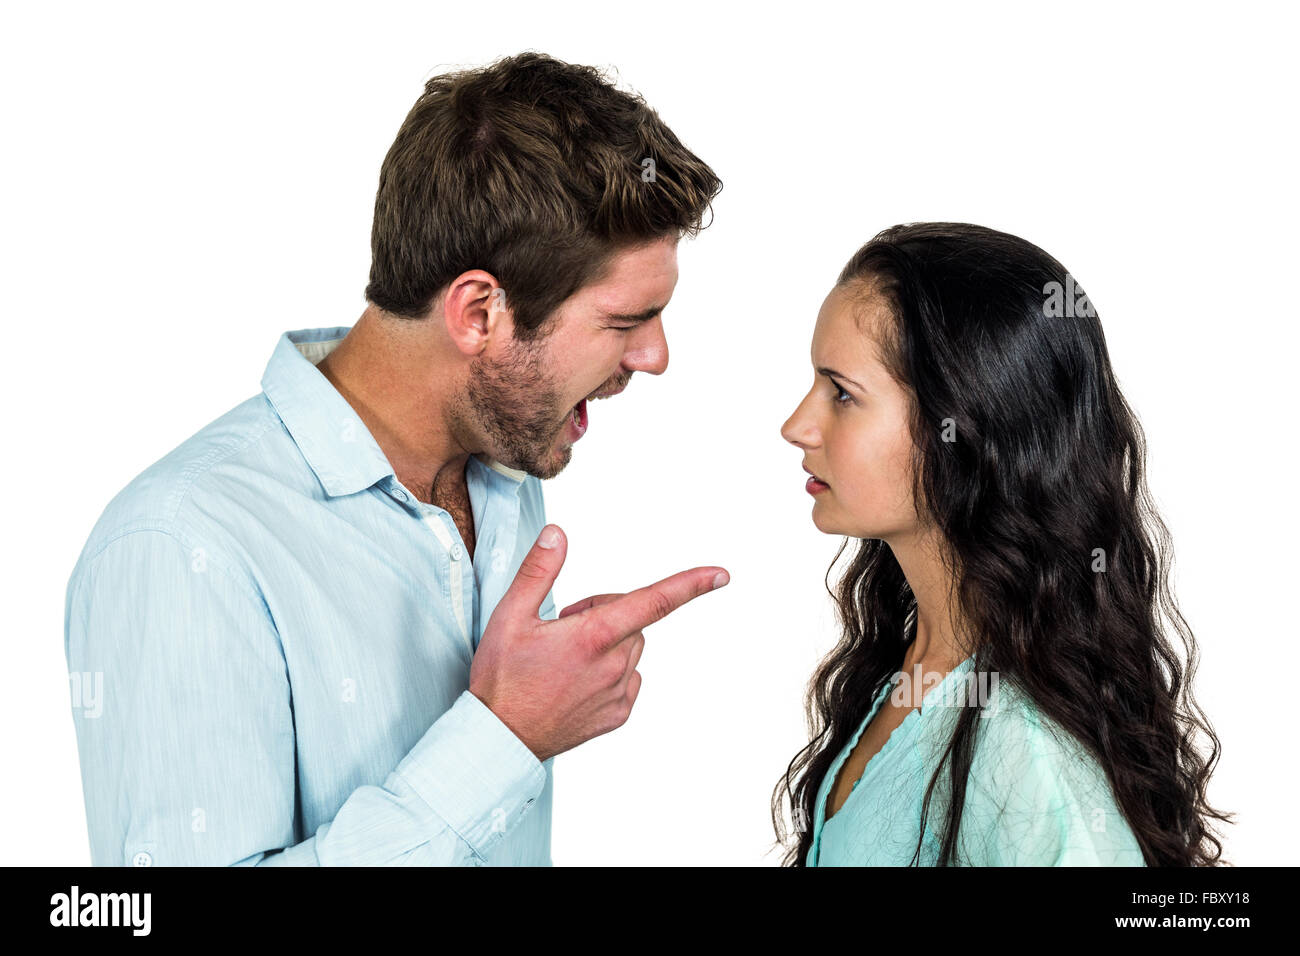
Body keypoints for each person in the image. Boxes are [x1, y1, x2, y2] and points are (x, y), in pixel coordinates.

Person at [63, 52, 728, 866]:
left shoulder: (502, 477)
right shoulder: (182, 547)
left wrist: (529, 702)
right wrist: (506, 736)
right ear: (479, 312)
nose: (656, 356)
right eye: (628, 320)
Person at [775, 222, 1232, 866]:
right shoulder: (906, 674)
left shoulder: (1031, 761)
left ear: (963, 424)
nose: (797, 425)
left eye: (842, 394)